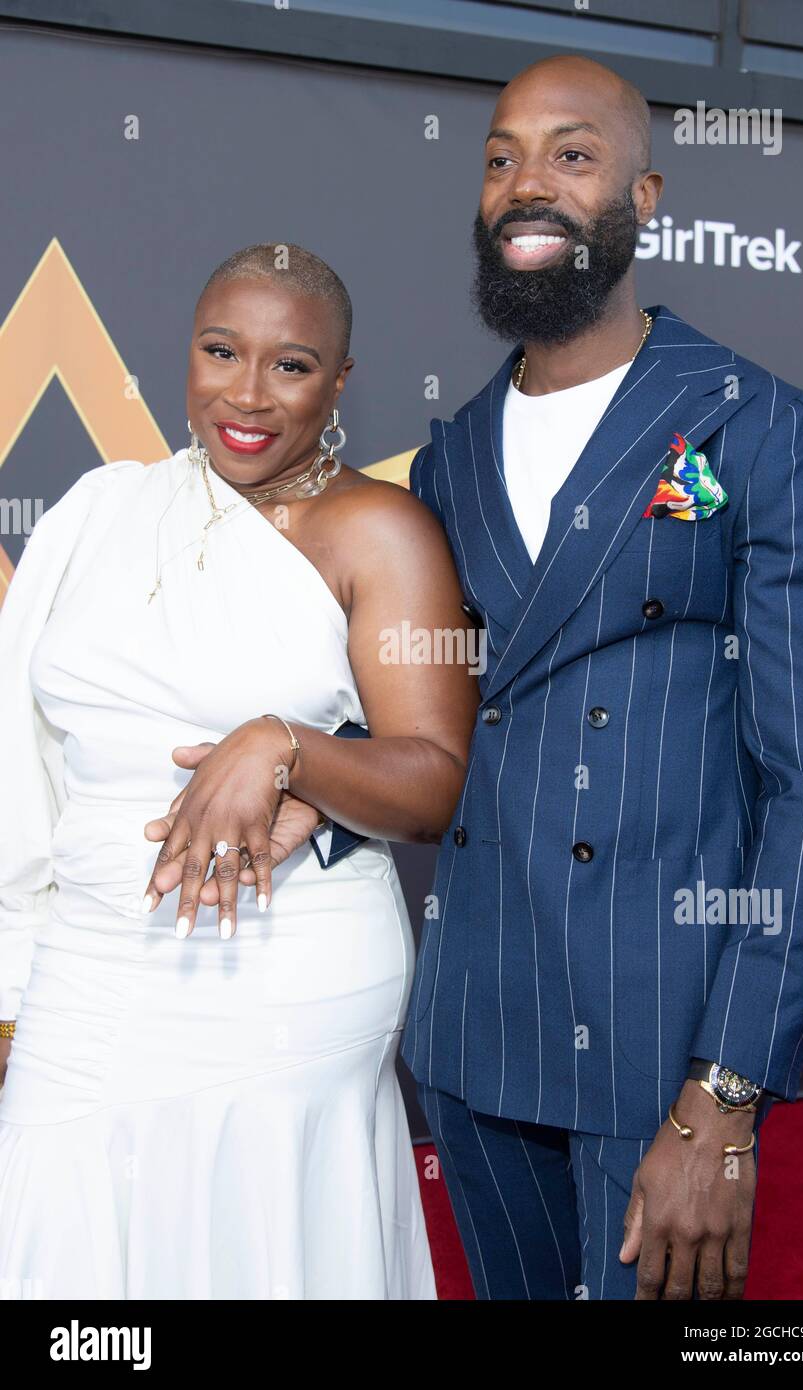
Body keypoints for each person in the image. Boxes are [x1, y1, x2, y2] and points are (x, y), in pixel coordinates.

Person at [191, 55, 803, 1301]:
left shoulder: (764, 430)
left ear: (644, 195)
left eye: (571, 154)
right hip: (471, 1033)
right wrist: (315, 794)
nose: (524, 185)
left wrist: (725, 1094)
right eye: (500, 156)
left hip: (659, 1053)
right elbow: (431, 738)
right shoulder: (443, 468)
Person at [0, 243, 477, 1300]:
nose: (246, 395)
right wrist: (9, 972)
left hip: (284, 968)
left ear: (340, 380)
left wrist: (285, 746)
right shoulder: (95, 512)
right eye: (222, 351)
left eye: (291, 364)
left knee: (253, 1251)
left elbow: (435, 777)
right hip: (84, 963)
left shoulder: (378, 530)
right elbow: (21, 766)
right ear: (188, 352)